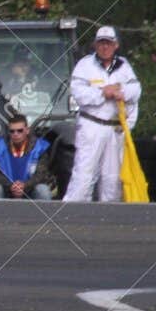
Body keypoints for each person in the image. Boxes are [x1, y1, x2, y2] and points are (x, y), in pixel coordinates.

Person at [64, 25, 140, 202]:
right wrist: (102, 93)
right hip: (92, 126)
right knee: (84, 174)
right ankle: (72, 213)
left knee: (112, 180)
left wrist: (122, 91)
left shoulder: (124, 66)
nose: (105, 47)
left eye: (108, 43)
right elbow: (78, 93)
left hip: (115, 129)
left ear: (116, 45)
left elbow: (136, 90)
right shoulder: (85, 65)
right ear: (95, 45)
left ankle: (108, 220)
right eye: (101, 43)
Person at [0, 112, 55, 200]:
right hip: (6, 188)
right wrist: (11, 186)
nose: (16, 134)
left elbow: (41, 174)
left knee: (43, 190)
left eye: (20, 130)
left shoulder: (40, 147)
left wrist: (24, 185)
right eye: (12, 131)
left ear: (27, 130)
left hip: (30, 188)